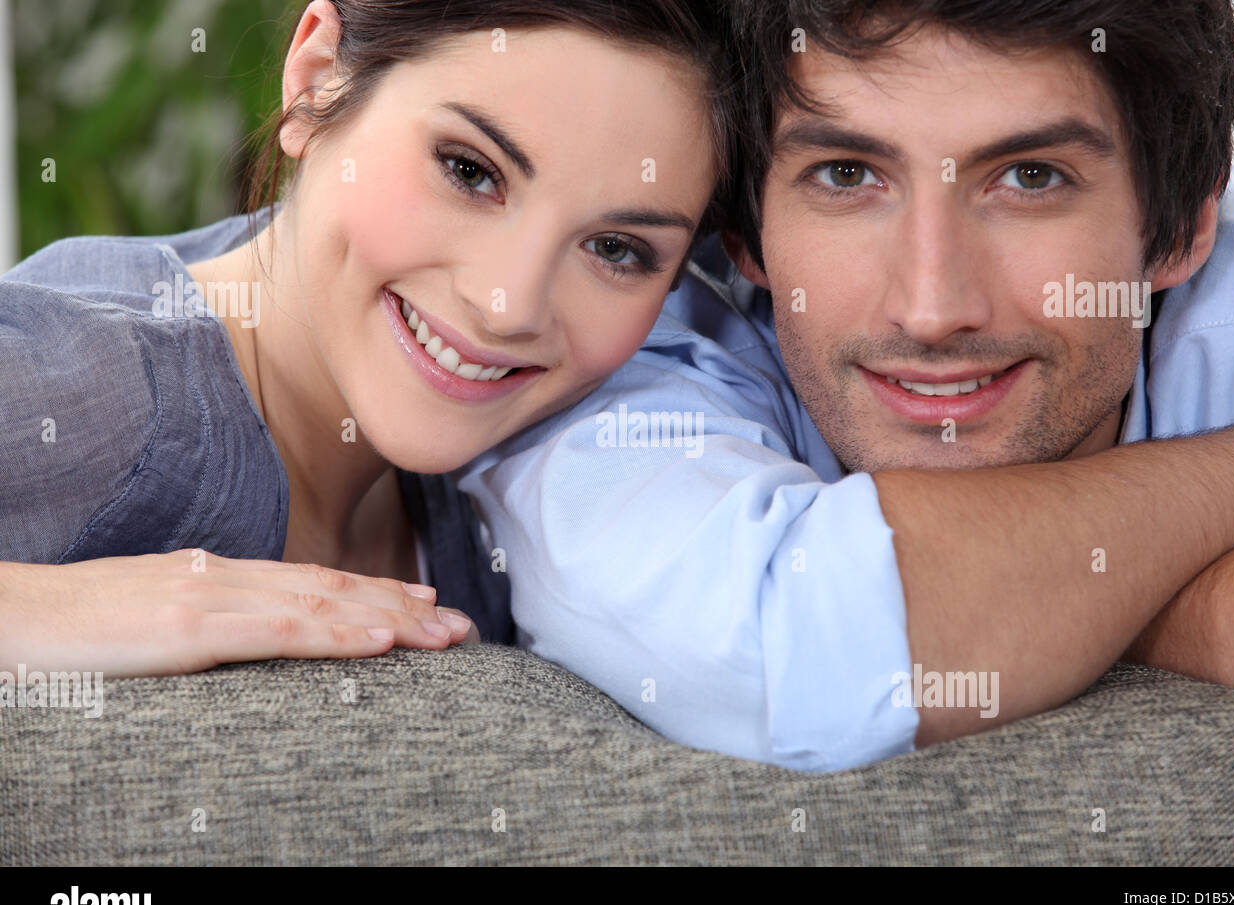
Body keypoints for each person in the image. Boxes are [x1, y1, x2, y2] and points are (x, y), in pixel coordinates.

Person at [452, 0, 1234, 771]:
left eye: (1030, 177)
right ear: (745, 234)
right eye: (847, 176)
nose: (932, 311)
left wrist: (1054, 597)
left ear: (1182, 227)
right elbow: (792, 655)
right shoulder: (630, 349)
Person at [0, 0, 735, 676]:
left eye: (615, 249)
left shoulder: (510, 478)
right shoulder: (98, 391)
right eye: (469, 171)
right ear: (316, 79)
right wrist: (46, 609)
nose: (509, 306)